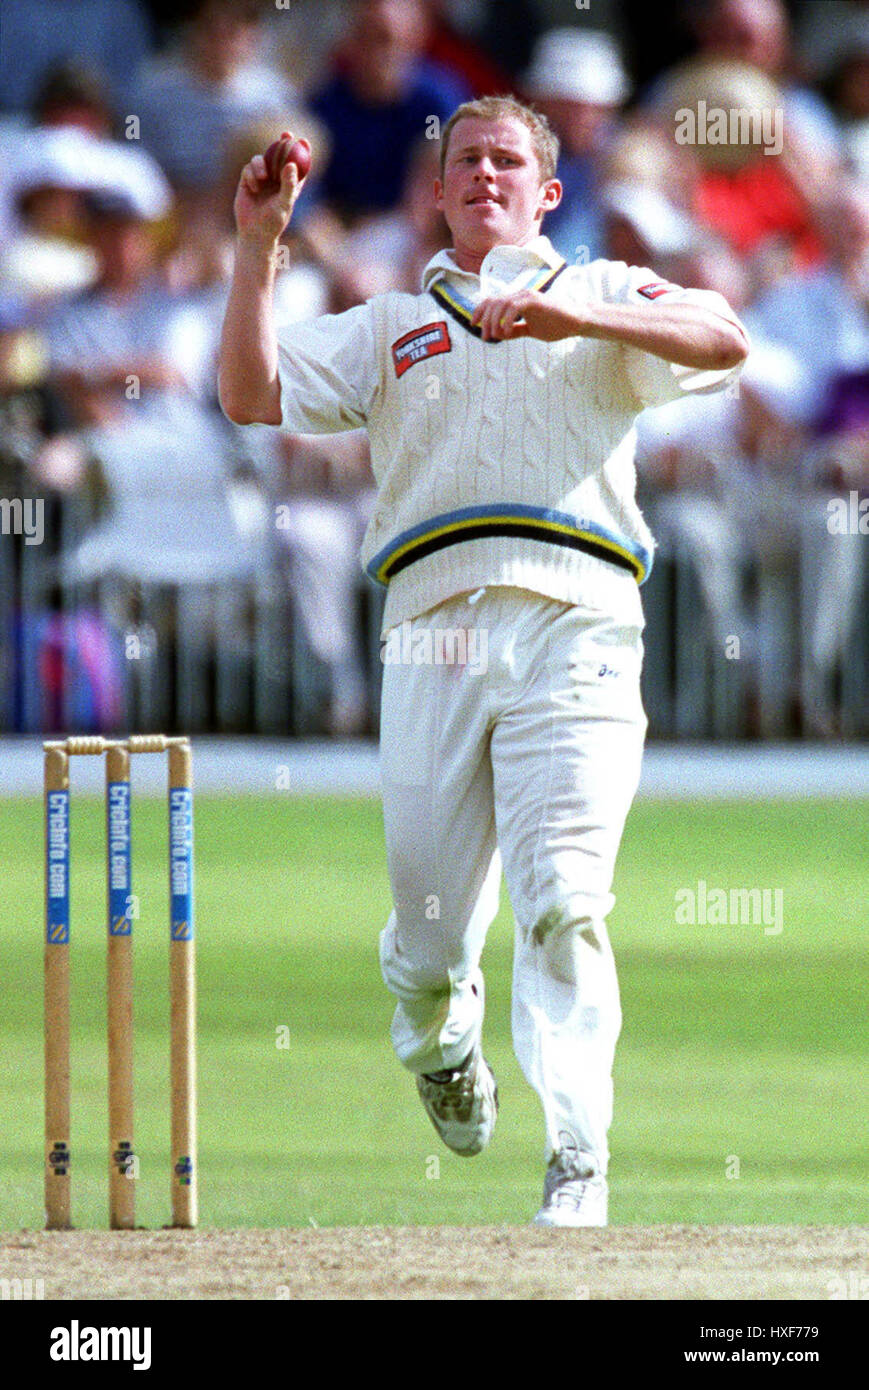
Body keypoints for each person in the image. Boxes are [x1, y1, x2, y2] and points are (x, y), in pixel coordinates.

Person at [218, 94, 748, 1226]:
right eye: (465, 160)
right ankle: (439, 1034)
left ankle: (576, 1163)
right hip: (433, 625)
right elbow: (249, 393)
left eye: (508, 159)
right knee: (427, 940)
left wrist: (588, 330)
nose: (485, 174)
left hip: (581, 619)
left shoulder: (597, 288)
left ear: (547, 191)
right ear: (438, 187)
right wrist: (258, 246)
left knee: (564, 898)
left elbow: (723, 340)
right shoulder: (389, 320)